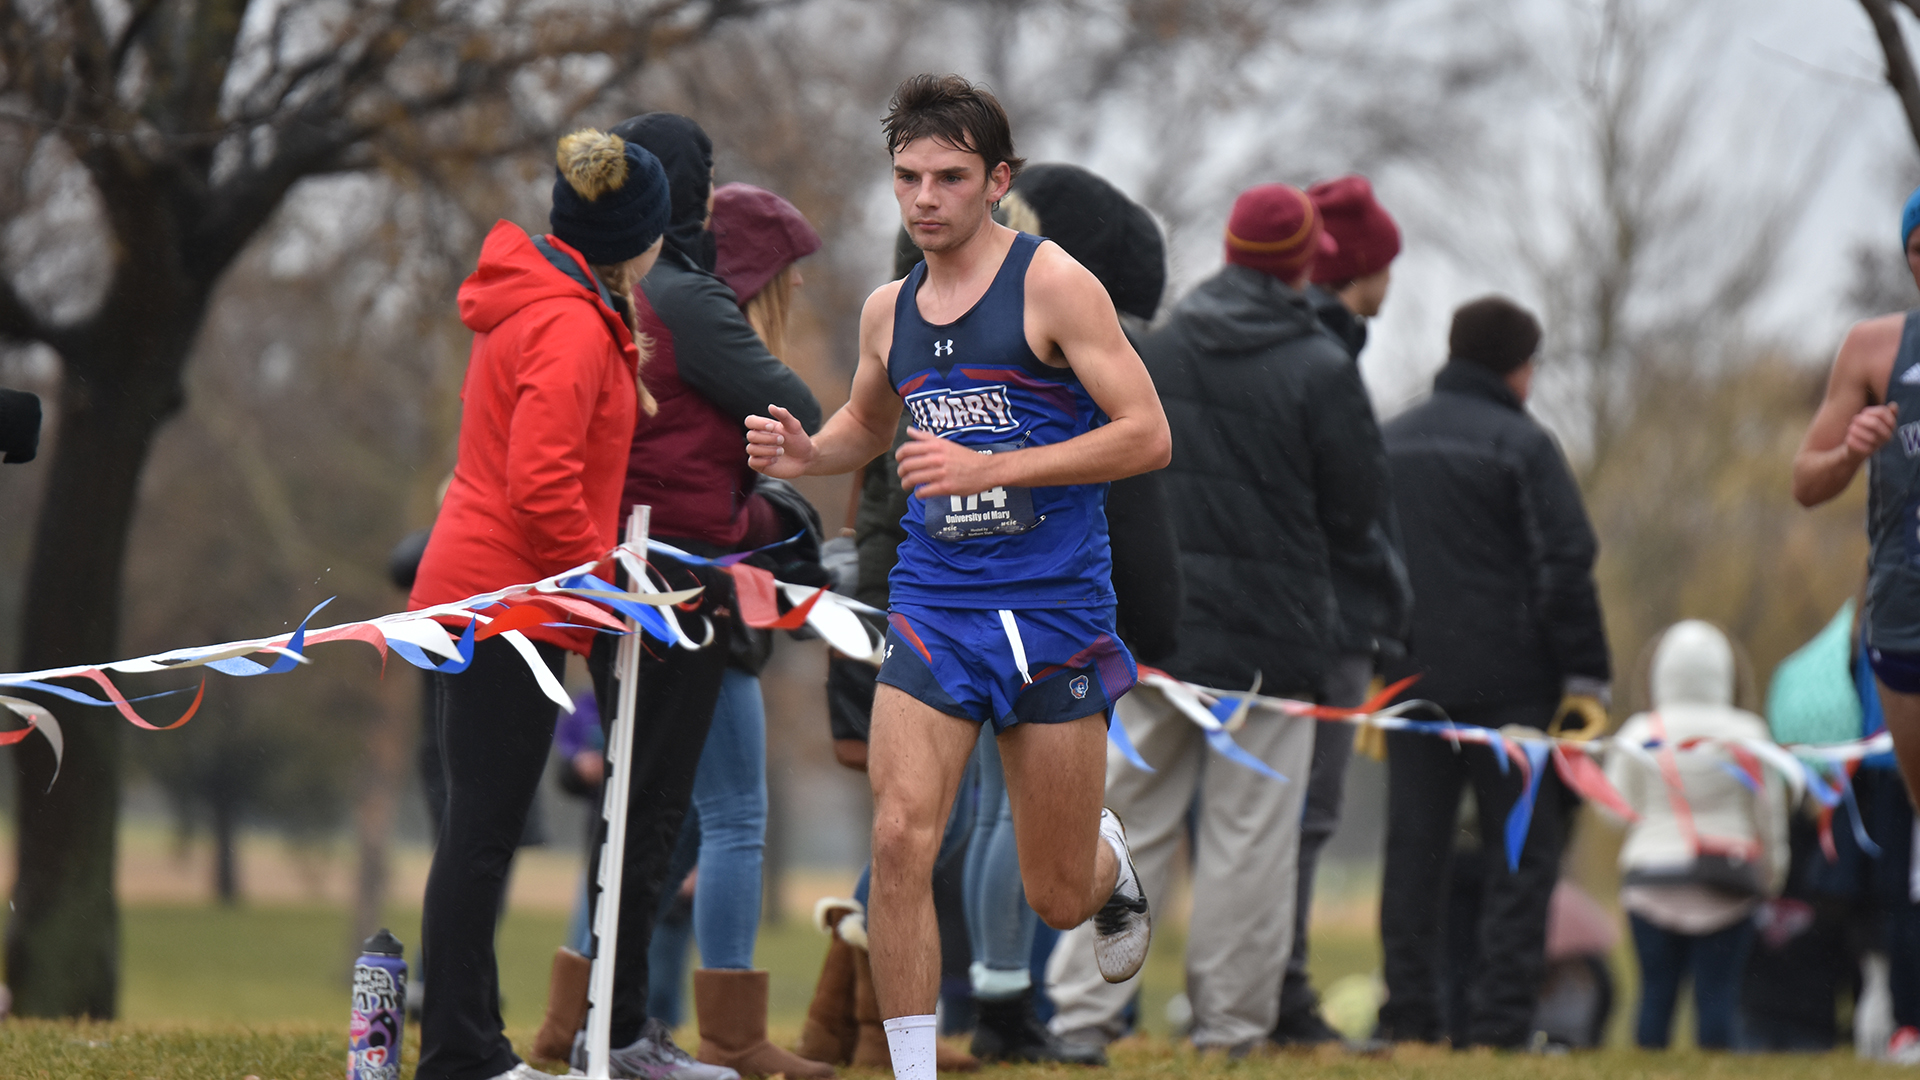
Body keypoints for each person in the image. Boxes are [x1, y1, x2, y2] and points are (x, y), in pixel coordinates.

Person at [745, 73, 1170, 1080]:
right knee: (900, 836)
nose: (925, 198)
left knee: (1054, 891)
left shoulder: (1057, 285)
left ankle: (1106, 867)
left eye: (949, 177)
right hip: (937, 607)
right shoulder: (889, 311)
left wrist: (996, 468)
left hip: (1054, 609)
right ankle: (912, 1069)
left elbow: (1147, 435)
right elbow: (869, 423)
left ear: (996, 181)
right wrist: (811, 453)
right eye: (907, 178)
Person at [1046, 182, 1384, 1055]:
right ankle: (1231, 1028)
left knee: (1126, 825)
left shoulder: (1156, 347)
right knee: (1250, 843)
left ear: (1230, 251)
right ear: (1304, 265)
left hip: (1156, 630)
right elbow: (1356, 514)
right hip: (1275, 642)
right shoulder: (1322, 369)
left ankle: (1081, 1018)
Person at [561, 112, 823, 1080]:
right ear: (687, 189)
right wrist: (762, 520)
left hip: (627, 570)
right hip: (677, 579)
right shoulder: (685, 294)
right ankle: (622, 1036)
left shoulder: (621, 288)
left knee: (634, 811)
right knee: (655, 815)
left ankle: (600, 1026)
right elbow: (800, 409)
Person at [407, 128, 670, 1080]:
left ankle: (470, 1042)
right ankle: (461, 1052)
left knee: (480, 827)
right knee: (482, 831)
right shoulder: (564, 322)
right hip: (503, 603)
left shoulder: (560, 304)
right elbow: (544, 483)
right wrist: (598, 589)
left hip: (498, 595)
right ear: (634, 239)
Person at [1376, 295, 1611, 1049]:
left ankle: (1409, 1016)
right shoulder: (1526, 446)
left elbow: (1364, 557)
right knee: (1521, 853)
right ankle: (1501, 1022)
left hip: (1411, 685)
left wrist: (1378, 669)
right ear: (1517, 366)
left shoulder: (1391, 439)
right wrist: (1586, 678)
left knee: (1415, 851)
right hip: (1513, 687)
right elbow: (1566, 567)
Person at [657, 180, 835, 1080]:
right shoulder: (714, 339)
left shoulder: (670, 327)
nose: (798, 289)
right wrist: (779, 529)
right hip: (695, 601)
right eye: (787, 269)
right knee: (735, 818)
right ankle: (732, 1037)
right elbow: (714, 497)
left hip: (660, 595)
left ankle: (578, 1025)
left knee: (644, 817)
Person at [1273, 173, 1411, 1047]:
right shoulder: (1325, 359)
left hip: (1293, 613)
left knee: (1277, 815)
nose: (1391, 278)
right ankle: (1281, 993)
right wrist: (1388, 608)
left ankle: (1273, 985)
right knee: (1302, 815)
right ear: (1361, 269)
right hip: (1320, 623)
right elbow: (1352, 512)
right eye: (1386, 263)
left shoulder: (1315, 346)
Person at [1599, 620, 1786, 1049]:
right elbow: (1768, 815)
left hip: (1649, 881)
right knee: (1717, 1001)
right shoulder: (1750, 733)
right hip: (1728, 881)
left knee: (1655, 998)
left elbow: (1613, 812)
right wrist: (1772, 875)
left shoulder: (1641, 732)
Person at [1792, 184, 1920, 808]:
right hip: (1905, 611)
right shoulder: (1875, 349)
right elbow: (1805, 482)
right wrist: (1850, 451)